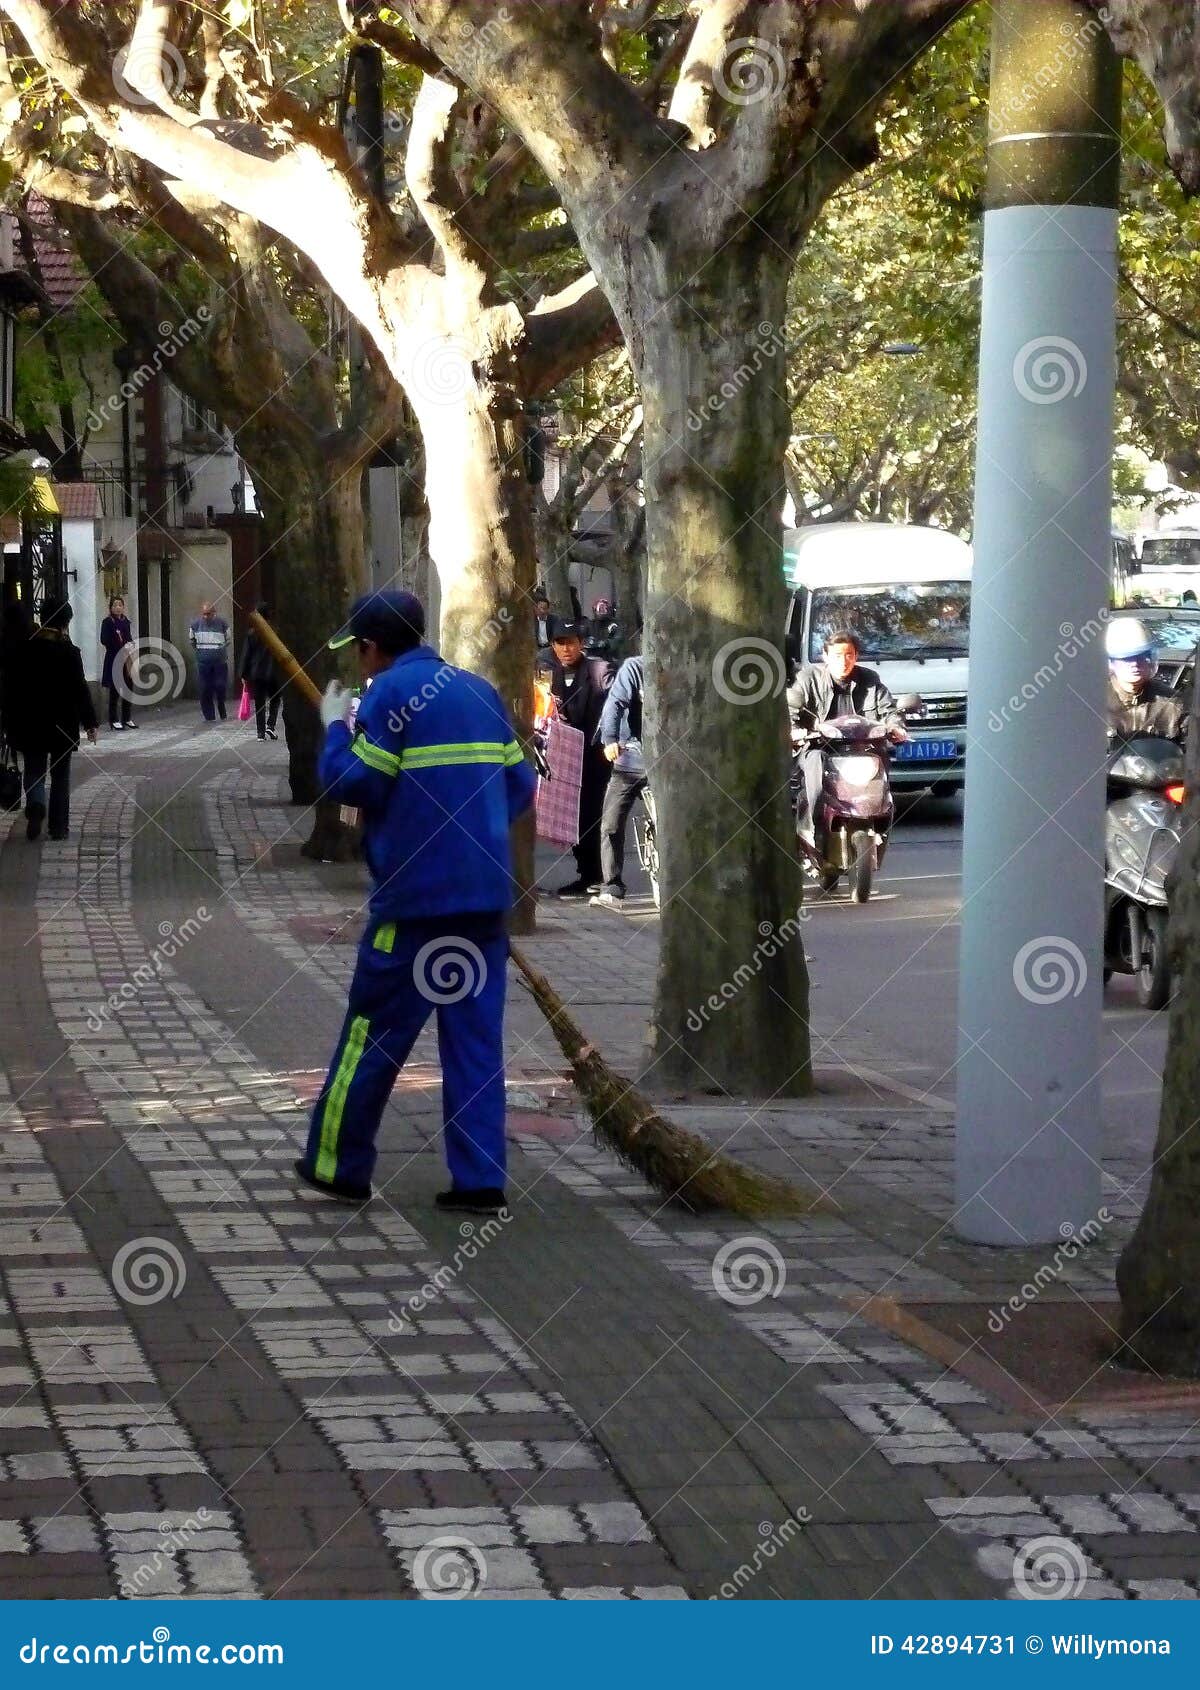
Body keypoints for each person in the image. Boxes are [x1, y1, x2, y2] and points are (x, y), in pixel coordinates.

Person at [296, 589, 535, 1213]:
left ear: (372, 648)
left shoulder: (387, 696)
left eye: (360, 654)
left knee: (370, 1036)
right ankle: (480, 1182)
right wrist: (469, 830)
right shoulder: (479, 692)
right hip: (483, 903)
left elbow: (356, 782)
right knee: (475, 1043)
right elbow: (519, 784)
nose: (360, 667)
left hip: (412, 907)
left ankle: (336, 1166)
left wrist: (332, 730)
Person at [788, 628, 907, 835]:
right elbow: (791, 710)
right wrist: (795, 730)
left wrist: (896, 726)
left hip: (861, 749)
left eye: (849, 655)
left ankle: (880, 821)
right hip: (820, 748)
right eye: (837, 656)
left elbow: (889, 710)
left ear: (856, 656)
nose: (843, 661)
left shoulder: (870, 680)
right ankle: (811, 827)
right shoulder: (808, 679)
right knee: (814, 759)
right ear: (825, 656)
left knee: (880, 757)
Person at [6, 597, 97, 842]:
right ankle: (58, 828)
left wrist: (9, 721)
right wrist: (90, 723)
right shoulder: (70, 653)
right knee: (61, 775)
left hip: (31, 722)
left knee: (34, 769)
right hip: (63, 724)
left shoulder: (23, 650)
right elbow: (80, 689)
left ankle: (36, 803)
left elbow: (11, 688)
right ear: (65, 623)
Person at [547, 620, 613, 896]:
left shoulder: (600, 670)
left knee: (595, 816)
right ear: (552, 646)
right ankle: (585, 874)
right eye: (560, 643)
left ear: (581, 643)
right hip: (563, 759)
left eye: (571, 642)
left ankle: (602, 875)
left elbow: (614, 708)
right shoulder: (548, 676)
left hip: (596, 758)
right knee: (570, 818)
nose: (566, 648)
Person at [592, 653, 646, 909]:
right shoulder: (635, 668)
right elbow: (615, 703)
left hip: (671, 761)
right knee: (611, 823)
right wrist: (610, 738)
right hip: (632, 757)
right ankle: (612, 885)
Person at [1106, 616, 1187, 743]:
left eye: (1141, 656)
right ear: (1110, 662)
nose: (1135, 663)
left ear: (1151, 658)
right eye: (1126, 658)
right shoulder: (1095, 702)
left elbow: (1192, 753)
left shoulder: (1173, 705)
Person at [238, 601, 281, 740]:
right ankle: (271, 725)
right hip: (273, 672)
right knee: (275, 699)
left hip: (257, 673)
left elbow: (246, 654)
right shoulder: (275, 631)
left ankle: (260, 733)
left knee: (259, 703)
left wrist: (243, 673)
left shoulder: (252, 633)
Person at [99, 595, 137, 730]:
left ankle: (126, 717)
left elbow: (129, 638)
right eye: (115, 605)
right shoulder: (107, 622)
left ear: (123, 607)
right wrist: (118, 646)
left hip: (126, 659)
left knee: (128, 687)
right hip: (114, 658)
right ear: (110, 608)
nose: (118, 608)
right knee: (115, 690)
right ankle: (113, 719)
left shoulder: (126, 621)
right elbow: (104, 640)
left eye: (120, 605)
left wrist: (130, 645)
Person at [189, 600, 230, 721]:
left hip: (220, 662)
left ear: (214, 613)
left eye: (208, 614)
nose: (206, 616)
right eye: (204, 614)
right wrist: (201, 652)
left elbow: (228, 639)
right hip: (203, 663)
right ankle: (209, 715)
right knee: (205, 688)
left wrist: (219, 650)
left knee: (220, 685)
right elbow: (192, 641)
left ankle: (221, 705)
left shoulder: (222, 624)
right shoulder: (195, 625)